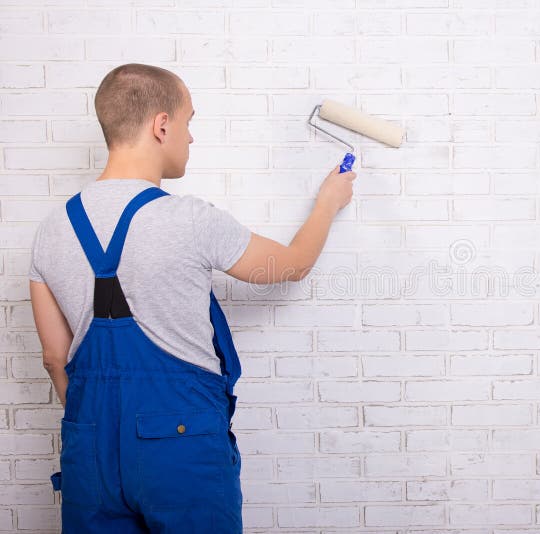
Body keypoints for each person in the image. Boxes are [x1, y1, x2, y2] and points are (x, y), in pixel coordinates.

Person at [28, 63, 357, 533]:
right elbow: (290, 265)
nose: (191, 137)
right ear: (161, 125)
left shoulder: (51, 230)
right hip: (180, 449)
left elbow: (54, 357)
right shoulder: (190, 219)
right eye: (189, 121)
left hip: (90, 449)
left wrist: (95, 428)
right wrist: (328, 201)